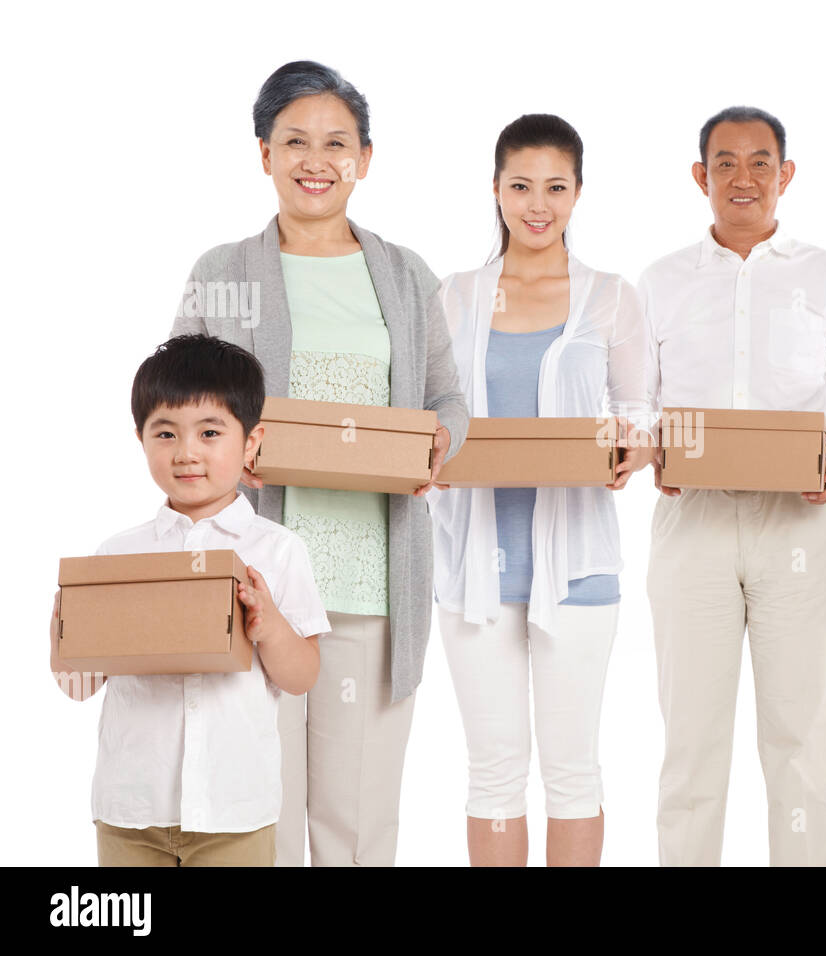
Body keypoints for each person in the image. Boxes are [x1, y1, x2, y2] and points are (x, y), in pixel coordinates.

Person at [170, 60, 468, 867]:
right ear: (262, 152)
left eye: (337, 142)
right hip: (255, 585)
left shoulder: (405, 276)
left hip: (371, 581)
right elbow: (177, 398)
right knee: (261, 817)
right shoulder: (222, 274)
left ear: (365, 158)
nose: (316, 159)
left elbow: (449, 398)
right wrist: (232, 443)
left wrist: (442, 440)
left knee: (358, 826)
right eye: (294, 140)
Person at [638, 106, 826, 866]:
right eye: (725, 163)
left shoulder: (824, 275)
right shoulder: (660, 282)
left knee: (800, 732)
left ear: (785, 176)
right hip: (694, 524)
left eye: (759, 163)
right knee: (692, 736)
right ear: (700, 177)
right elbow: (626, 400)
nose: (742, 178)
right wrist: (648, 446)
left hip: (798, 524)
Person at [432, 114, 653, 866]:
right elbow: (427, 414)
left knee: (572, 770)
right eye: (520, 185)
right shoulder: (456, 296)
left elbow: (641, 410)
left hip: (581, 568)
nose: (537, 203)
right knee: (492, 774)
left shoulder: (610, 297)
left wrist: (636, 449)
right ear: (495, 190)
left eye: (556, 187)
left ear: (579, 193)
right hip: (473, 572)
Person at [49, 334, 329, 866]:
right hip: (132, 808)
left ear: (250, 443)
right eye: (166, 433)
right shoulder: (118, 555)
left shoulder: (277, 550)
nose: (186, 452)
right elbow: (77, 687)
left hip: (234, 811)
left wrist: (269, 627)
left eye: (209, 432)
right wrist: (62, 637)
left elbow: (302, 676)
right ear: (141, 440)